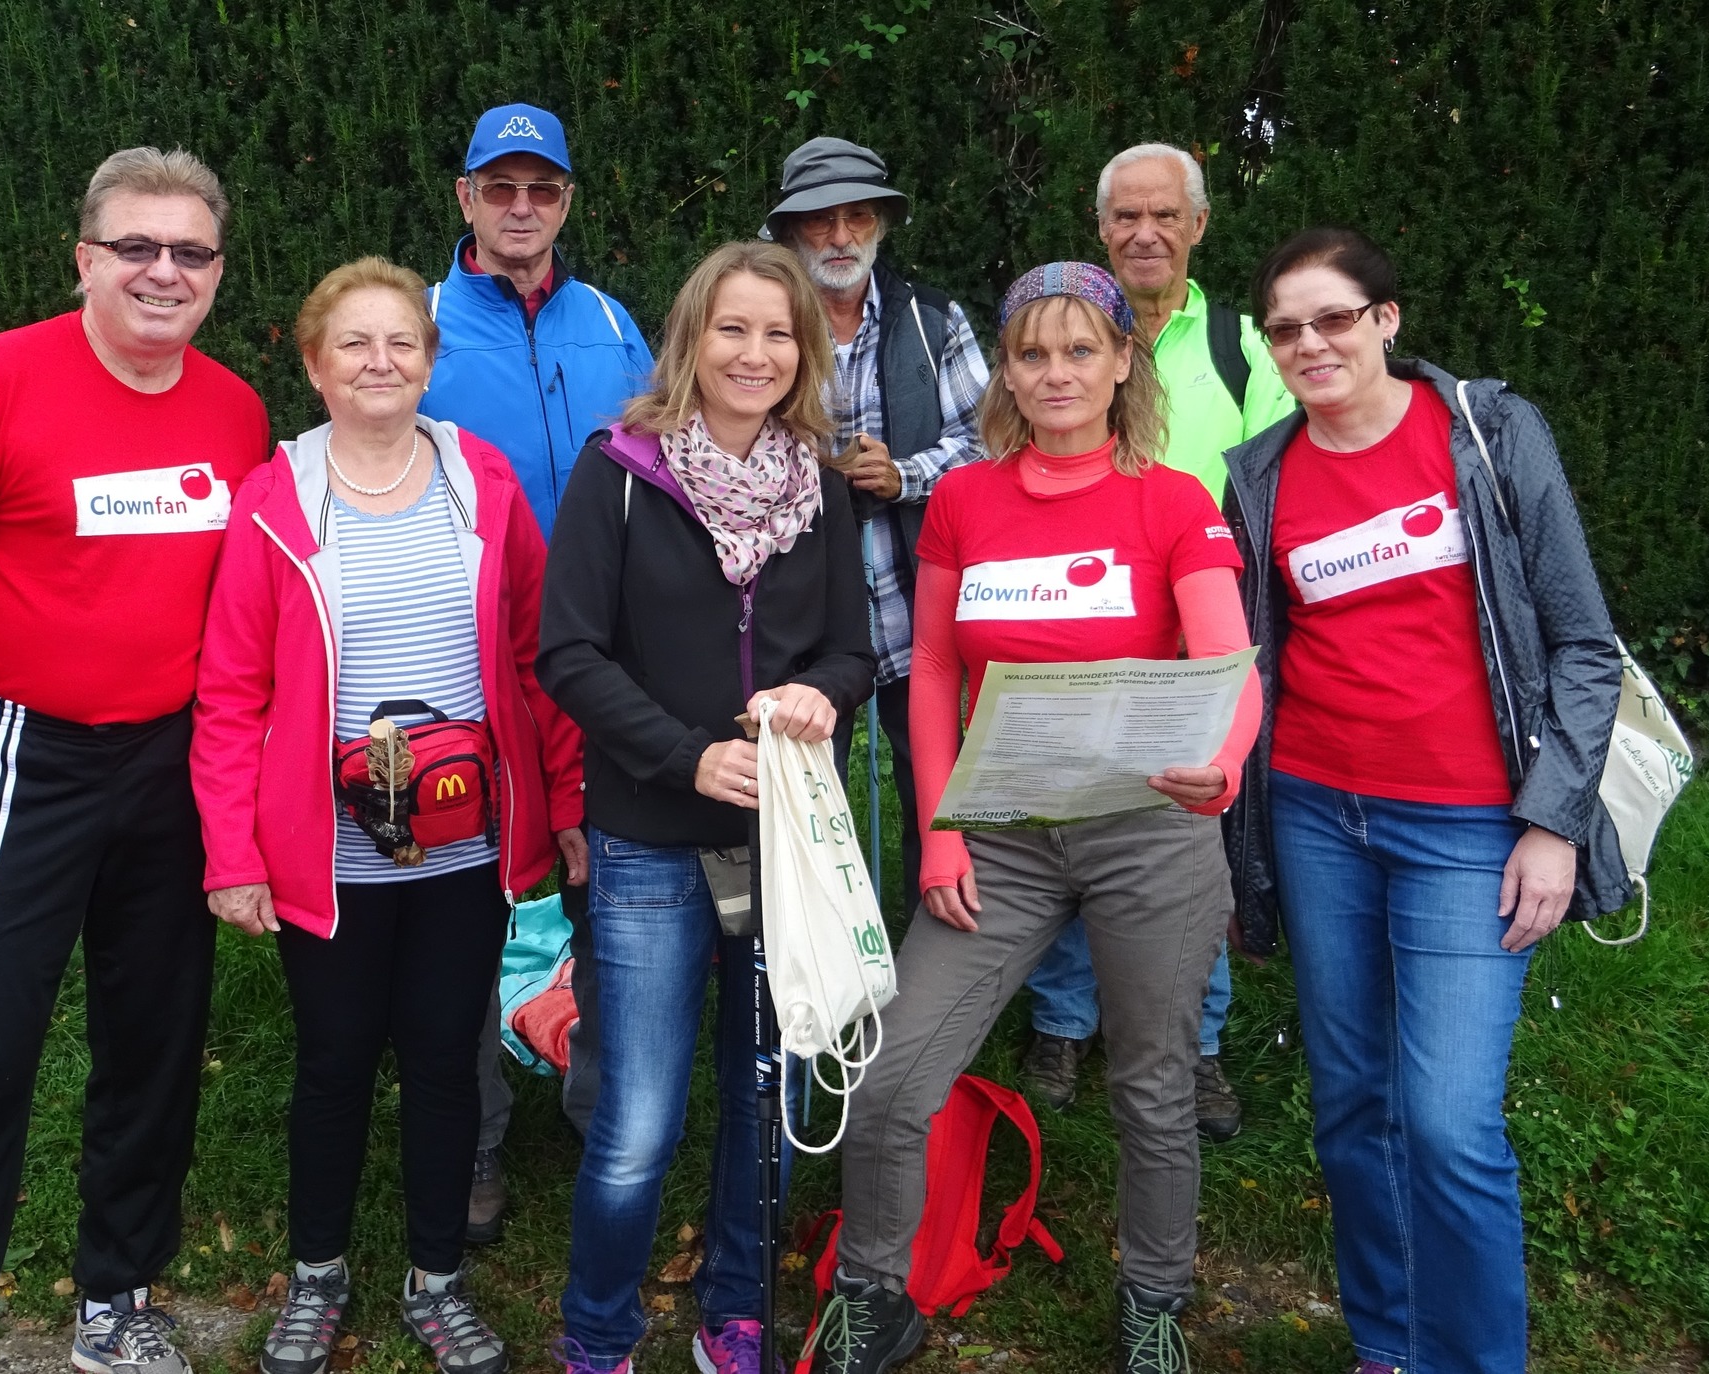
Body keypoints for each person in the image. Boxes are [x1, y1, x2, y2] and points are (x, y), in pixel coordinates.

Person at [0, 148, 270, 1374]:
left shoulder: (235, 410)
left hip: (172, 764)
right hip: (18, 763)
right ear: (85, 258)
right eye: (136, 247)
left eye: (189, 252)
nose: (162, 271)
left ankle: (117, 1305)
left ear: (217, 274)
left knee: (152, 1050)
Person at [809, 263, 1261, 1374]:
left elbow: (1225, 663)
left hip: (1146, 829)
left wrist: (1222, 760)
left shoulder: (1171, 500)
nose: (1053, 373)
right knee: (891, 1076)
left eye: (1077, 351)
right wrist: (943, 829)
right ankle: (873, 1288)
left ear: (1118, 364)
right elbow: (926, 679)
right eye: (1030, 353)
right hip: (999, 831)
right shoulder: (963, 498)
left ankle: (1154, 1298)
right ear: (1003, 372)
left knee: (1152, 1084)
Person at [1224, 227, 1628, 1374]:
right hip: (1315, 817)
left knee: (1448, 1124)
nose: (1310, 344)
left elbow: (1582, 646)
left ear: (1384, 321)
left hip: (1468, 826)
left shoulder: (1487, 435)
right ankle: (1389, 1345)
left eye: (1333, 318)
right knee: (1351, 1109)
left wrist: (1551, 819)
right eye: (1285, 329)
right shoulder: (1258, 473)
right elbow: (1249, 660)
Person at [192, 256, 586, 1374]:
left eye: (401, 342)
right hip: (327, 853)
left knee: (442, 1061)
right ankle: (315, 1278)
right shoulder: (273, 498)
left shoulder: (484, 479)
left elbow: (534, 657)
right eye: (354, 344)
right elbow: (230, 695)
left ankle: (436, 1281)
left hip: (463, 847)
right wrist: (233, 851)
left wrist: (562, 803)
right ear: (315, 367)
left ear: (428, 360)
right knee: (331, 1062)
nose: (380, 361)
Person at [537, 241, 874, 1374]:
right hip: (646, 838)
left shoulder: (816, 486)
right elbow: (568, 653)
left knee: (762, 1093)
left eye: (778, 333)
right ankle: (596, 1334)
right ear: (689, 339)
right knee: (637, 1122)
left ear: (804, 350)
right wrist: (685, 757)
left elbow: (849, 650)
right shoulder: (620, 472)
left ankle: (735, 1306)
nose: (755, 352)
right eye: (732, 329)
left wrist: (814, 695)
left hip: (781, 841)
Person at [1020, 142, 1294, 1132]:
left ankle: (1197, 1041)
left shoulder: (1239, 348)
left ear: (1197, 226)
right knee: (1059, 824)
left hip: (1190, 640)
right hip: (1070, 628)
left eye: (1162, 215)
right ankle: (1061, 1021)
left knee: (1190, 843)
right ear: (1100, 229)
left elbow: (1275, 493)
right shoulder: (1064, 332)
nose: (1142, 233)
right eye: (1123, 216)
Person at [417, 102, 656, 1238]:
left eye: (542, 190)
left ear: (565, 200)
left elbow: (668, 467)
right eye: (498, 187)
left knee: (612, 872)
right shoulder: (413, 326)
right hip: (462, 657)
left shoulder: (611, 321)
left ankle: (602, 1094)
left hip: (611, 654)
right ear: (463, 197)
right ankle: (471, 1139)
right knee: (466, 891)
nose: (520, 209)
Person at [758, 137, 989, 907]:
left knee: (937, 776)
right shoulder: (761, 325)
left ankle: (941, 942)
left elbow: (986, 445)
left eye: (858, 217)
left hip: (913, 593)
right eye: (820, 222)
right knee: (803, 785)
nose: (840, 237)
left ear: (881, 225)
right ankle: (817, 951)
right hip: (800, 604)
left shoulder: (932, 318)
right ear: (790, 234)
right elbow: (711, 443)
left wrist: (903, 475)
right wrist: (808, 477)